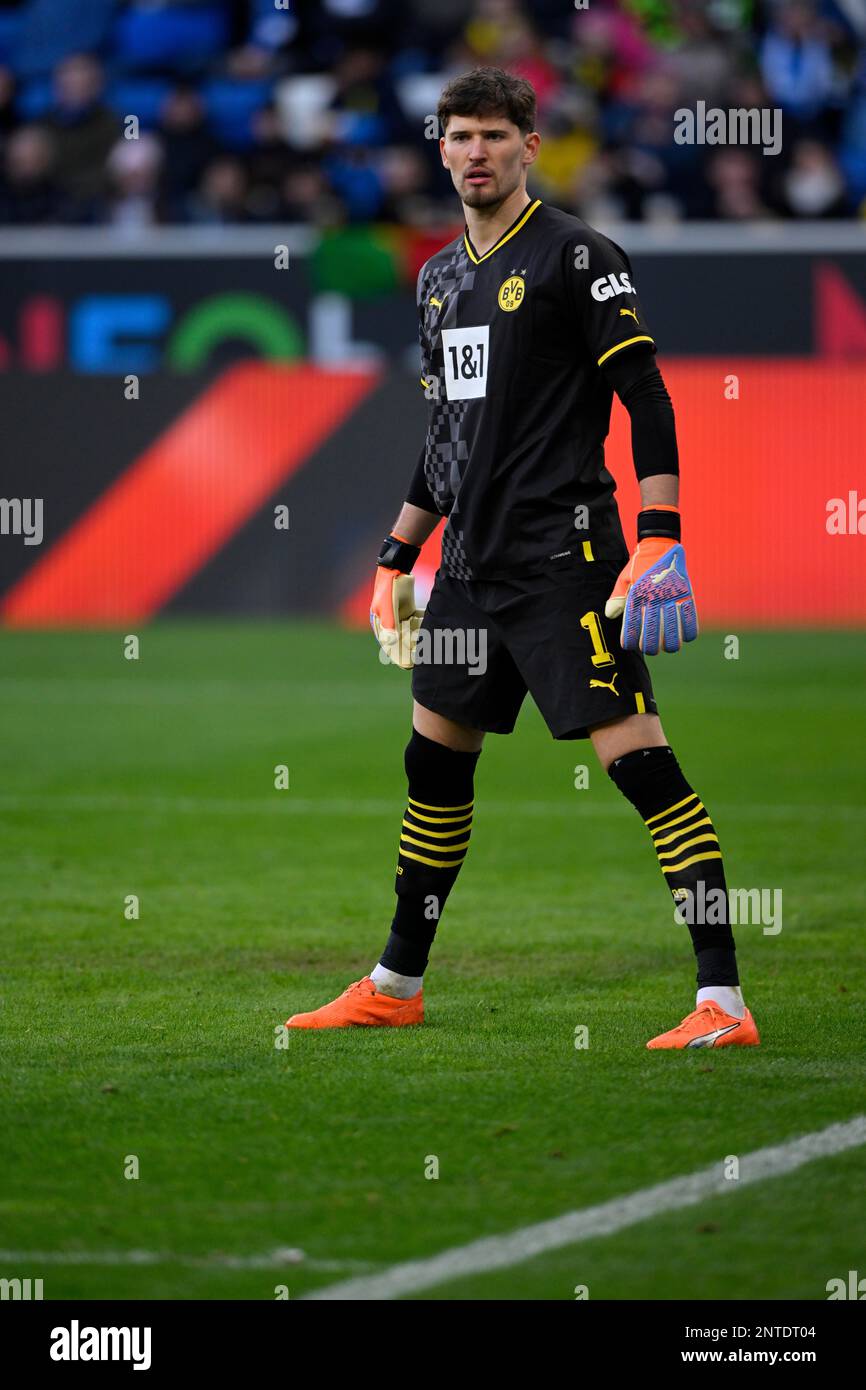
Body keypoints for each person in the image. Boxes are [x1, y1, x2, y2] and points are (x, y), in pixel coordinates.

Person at [287, 67, 760, 1050]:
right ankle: (395, 980)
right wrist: (393, 555)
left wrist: (659, 534)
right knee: (432, 764)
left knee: (641, 771)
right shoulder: (437, 276)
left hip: (564, 560)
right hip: (467, 567)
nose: (472, 152)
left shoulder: (576, 257)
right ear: (440, 147)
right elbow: (444, 435)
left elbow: (648, 398)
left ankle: (721, 1000)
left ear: (527, 147)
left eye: (492, 136)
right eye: (456, 136)